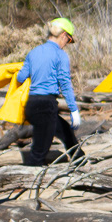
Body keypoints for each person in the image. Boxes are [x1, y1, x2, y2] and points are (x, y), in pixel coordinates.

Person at [16, 18, 83, 166]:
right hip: (46, 105)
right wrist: (73, 109)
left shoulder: (33, 52)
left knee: (66, 132)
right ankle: (25, 176)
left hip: (31, 104)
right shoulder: (60, 55)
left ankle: (80, 161)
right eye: (69, 40)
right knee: (39, 152)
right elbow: (65, 83)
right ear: (63, 35)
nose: (67, 44)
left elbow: (20, 77)